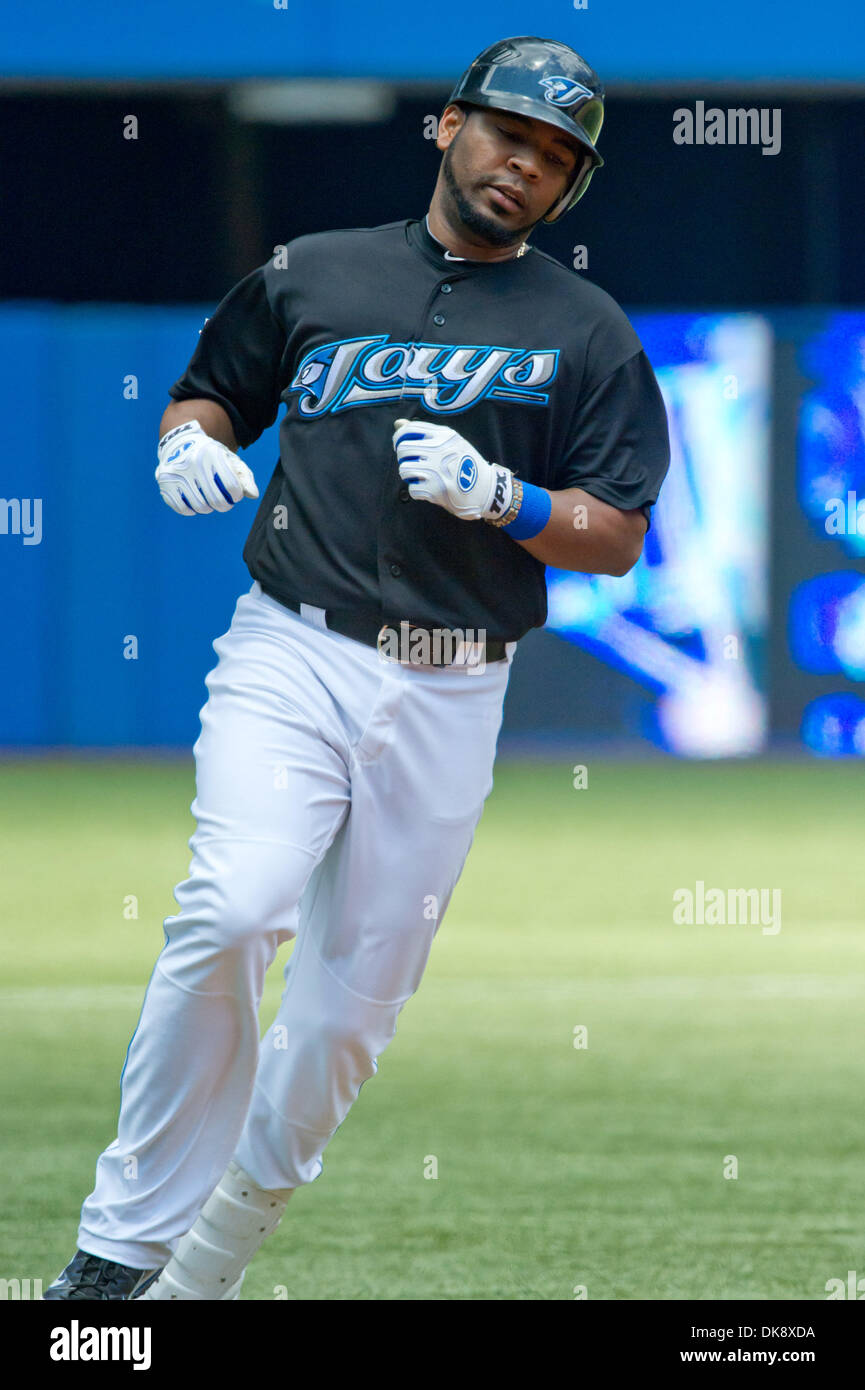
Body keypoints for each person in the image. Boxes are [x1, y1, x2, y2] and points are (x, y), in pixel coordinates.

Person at [44, 34, 670, 1301]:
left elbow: (615, 534)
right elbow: (208, 394)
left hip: (452, 686)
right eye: (508, 132)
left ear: (568, 188)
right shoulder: (310, 273)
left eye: (555, 158)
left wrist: (506, 497)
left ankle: (202, 1276)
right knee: (230, 910)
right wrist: (182, 446)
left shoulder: (584, 329)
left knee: (340, 1026)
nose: (523, 166)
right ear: (447, 126)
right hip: (293, 647)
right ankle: (117, 1260)